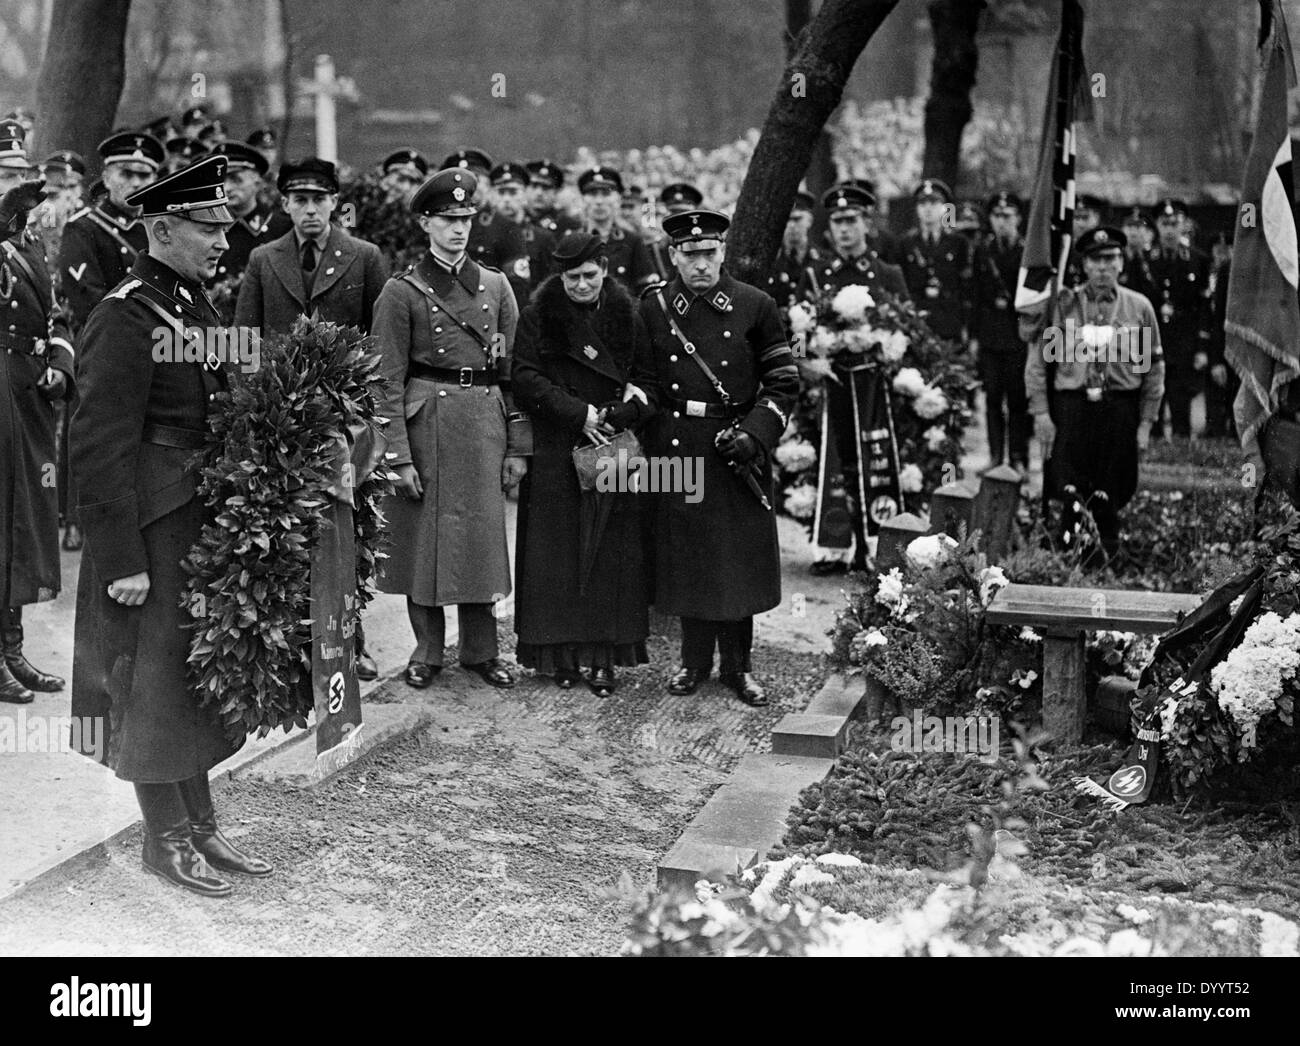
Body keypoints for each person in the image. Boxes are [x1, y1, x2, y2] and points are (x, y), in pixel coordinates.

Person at [70, 154, 273, 896]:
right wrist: (121, 557)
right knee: (151, 683)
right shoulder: (125, 311)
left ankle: (202, 823)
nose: (223, 240)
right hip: (149, 530)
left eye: (223, 224)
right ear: (159, 228)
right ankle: (166, 839)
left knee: (187, 678)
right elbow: (97, 446)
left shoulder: (187, 300)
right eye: (207, 226)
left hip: (192, 522)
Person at [373, 167, 531, 690]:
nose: (458, 229)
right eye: (446, 219)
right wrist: (396, 456)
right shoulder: (402, 292)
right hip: (427, 425)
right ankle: (426, 652)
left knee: (481, 538)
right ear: (425, 223)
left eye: (464, 218)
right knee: (426, 543)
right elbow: (385, 381)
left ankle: (482, 652)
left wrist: (517, 445)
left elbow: (513, 375)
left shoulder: (496, 286)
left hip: (482, 421)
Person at [234, 157, 388, 679]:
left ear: (334, 204)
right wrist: (253, 403)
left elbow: (379, 342)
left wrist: (367, 411)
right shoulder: (263, 259)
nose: (310, 211)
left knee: (350, 528)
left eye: (319, 200)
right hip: (281, 421)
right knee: (285, 529)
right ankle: (291, 643)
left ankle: (351, 637)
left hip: (347, 423)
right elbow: (245, 339)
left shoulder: (365, 258)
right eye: (299, 200)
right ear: (285, 204)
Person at [640, 209, 799, 706]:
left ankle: (738, 667)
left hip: (737, 449)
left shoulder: (756, 305)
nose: (701, 265)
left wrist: (755, 434)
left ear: (723, 252)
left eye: (709, 253)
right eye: (690, 255)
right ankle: (692, 662)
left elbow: (783, 381)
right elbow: (644, 381)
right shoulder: (655, 307)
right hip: (679, 444)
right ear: (674, 256)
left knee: (736, 559)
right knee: (689, 556)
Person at [511, 232, 658, 696]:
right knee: (557, 553)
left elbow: (650, 383)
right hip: (558, 447)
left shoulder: (629, 317)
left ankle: (603, 659)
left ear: (605, 270)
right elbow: (524, 376)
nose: (580, 286)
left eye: (589, 276)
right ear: (560, 275)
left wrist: (619, 413)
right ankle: (560, 655)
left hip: (610, 449)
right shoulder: (539, 317)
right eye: (571, 277)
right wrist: (579, 414)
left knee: (609, 553)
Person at [1025, 226, 1165, 562]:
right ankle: (1067, 550)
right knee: (1070, 478)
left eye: (1111, 259)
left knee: (1113, 479)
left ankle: (1109, 550)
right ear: (1084, 265)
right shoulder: (1064, 306)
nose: (1103, 267)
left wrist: (1146, 422)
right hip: (1072, 407)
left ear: (1121, 263)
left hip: (1119, 406)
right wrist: (1042, 413)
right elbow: (1039, 364)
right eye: (1095, 260)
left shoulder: (1138, 308)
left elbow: (1153, 370)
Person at [796, 183, 909, 575]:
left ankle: (878, 545)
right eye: (837, 222)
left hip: (875, 388)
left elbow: (907, 330)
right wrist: (805, 363)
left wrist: (888, 356)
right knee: (836, 465)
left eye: (851, 220)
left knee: (875, 463)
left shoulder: (886, 274)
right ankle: (835, 546)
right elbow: (795, 333)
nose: (844, 229)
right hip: (831, 384)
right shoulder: (815, 276)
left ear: (867, 223)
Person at [0, 129, 75, 703]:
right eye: (4, 180)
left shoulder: (31, 246)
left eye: (19, 180)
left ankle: (11, 646)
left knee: (24, 520)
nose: (15, 192)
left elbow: (58, 318)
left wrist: (60, 364)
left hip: (27, 396)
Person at [969, 190, 1030, 477]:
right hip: (990, 336)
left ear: (1018, 218)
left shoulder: (1027, 251)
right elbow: (976, 296)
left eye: (1007, 216)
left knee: (1017, 399)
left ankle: (1018, 457)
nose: (1001, 222)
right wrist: (973, 336)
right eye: (996, 216)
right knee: (992, 398)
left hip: (1019, 336)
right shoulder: (983, 250)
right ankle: (995, 455)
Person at [1147, 197, 1211, 439]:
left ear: (1184, 224)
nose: (1170, 229)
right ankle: (1151, 449)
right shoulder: (1145, 259)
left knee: (1180, 399)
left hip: (1184, 339)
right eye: (1164, 223)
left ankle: (1181, 450)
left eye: (1175, 223)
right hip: (1150, 339)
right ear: (1156, 226)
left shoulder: (1198, 259)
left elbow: (1204, 307)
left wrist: (1202, 347)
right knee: (1151, 398)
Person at [443, 148, 531, 306]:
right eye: (458, 180)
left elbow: (517, 287)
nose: (465, 186)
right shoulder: (439, 223)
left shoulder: (505, 227)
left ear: (487, 185)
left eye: (474, 179)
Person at [898, 178, 972, 343]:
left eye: (934, 203)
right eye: (923, 204)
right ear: (917, 209)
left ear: (944, 208)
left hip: (949, 321)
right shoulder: (906, 243)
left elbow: (965, 286)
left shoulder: (958, 242)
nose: (928, 209)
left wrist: (965, 324)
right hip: (917, 321)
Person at [210, 142, 292, 288]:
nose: (227, 188)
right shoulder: (211, 228)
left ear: (257, 182)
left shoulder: (282, 228)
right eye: (222, 180)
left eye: (236, 179)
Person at [579, 165, 659, 293]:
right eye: (593, 194)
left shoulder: (632, 241)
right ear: (583, 199)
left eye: (606, 194)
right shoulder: (571, 241)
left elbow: (646, 292)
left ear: (617, 199)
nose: (599, 201)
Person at [490, 161, 554, 295]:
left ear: (524, 194)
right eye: (501, 192)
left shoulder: (542, 238)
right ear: (493, 196)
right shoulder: (484, 235)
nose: (506, 199)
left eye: (513, 192)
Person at [765, 189, 819, 309]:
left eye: (797, 219)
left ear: (809, 220)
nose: (792, 226)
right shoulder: (770, 263)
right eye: (787, 220)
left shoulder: (822, 259)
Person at [649, 182, 704, 280]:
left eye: (684, 214)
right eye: (673, 214)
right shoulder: (655, 249)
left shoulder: (706, 247)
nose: (678, 220)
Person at [525, 159, 579, 237]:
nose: (539, 193)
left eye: (546, 187)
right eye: (534, 186)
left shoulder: (567, 225)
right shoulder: (515, 221)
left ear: (556, 192)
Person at [1117, 206, 1156, 302]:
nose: (1133, 232)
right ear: (1122, 229)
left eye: (1138, 226)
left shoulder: (1152, 259)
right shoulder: (1116, 258)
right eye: (1129, 226)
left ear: (1147, 231)